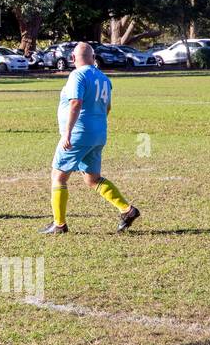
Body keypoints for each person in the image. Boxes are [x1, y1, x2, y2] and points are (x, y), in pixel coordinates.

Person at [42, 42, 140, 235]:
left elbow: (75, 103)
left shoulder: (77, 75)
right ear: (93, 58)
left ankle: (59, 225)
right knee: (92, 179)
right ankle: (127, 210)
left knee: (58, 176)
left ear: (72, 59)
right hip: (99, 134)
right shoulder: (103, 78)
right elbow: (108, 108)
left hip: (78, 134)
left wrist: (68, 133)